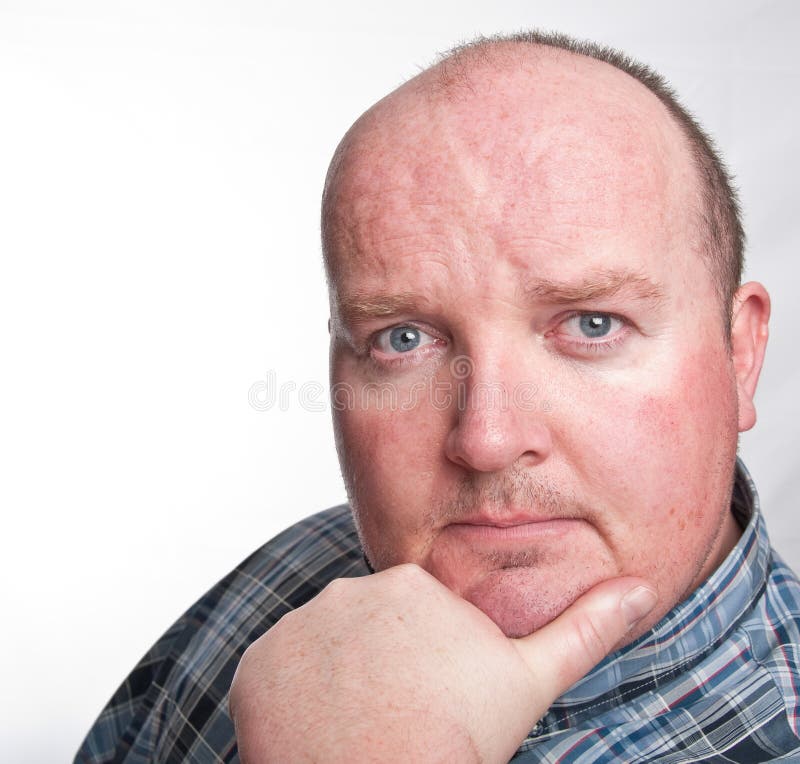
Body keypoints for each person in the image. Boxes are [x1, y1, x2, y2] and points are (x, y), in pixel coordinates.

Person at [76, 31, 800, 763]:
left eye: (592, 324)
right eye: (403, 339)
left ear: (740, 354)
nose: (485, 440)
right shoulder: (286, 585)